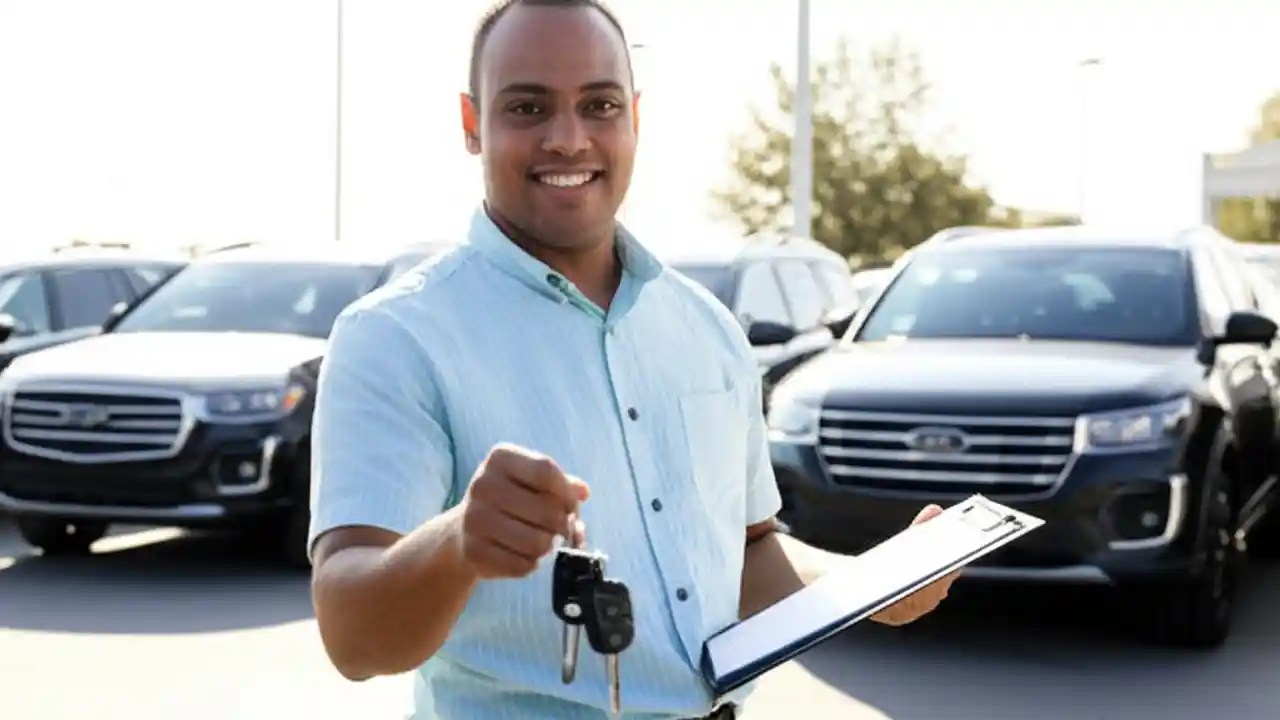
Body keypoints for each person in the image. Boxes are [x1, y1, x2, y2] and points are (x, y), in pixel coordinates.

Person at [307, 1, 958, 718]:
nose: (568, 138)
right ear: (472, 123)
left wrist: (871, 586)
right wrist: (458, 541)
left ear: (634, 119)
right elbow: (352, 636)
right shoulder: (395, 337)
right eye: (527, 107)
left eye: (600, 105)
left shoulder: (709, 329)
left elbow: (744, 557)